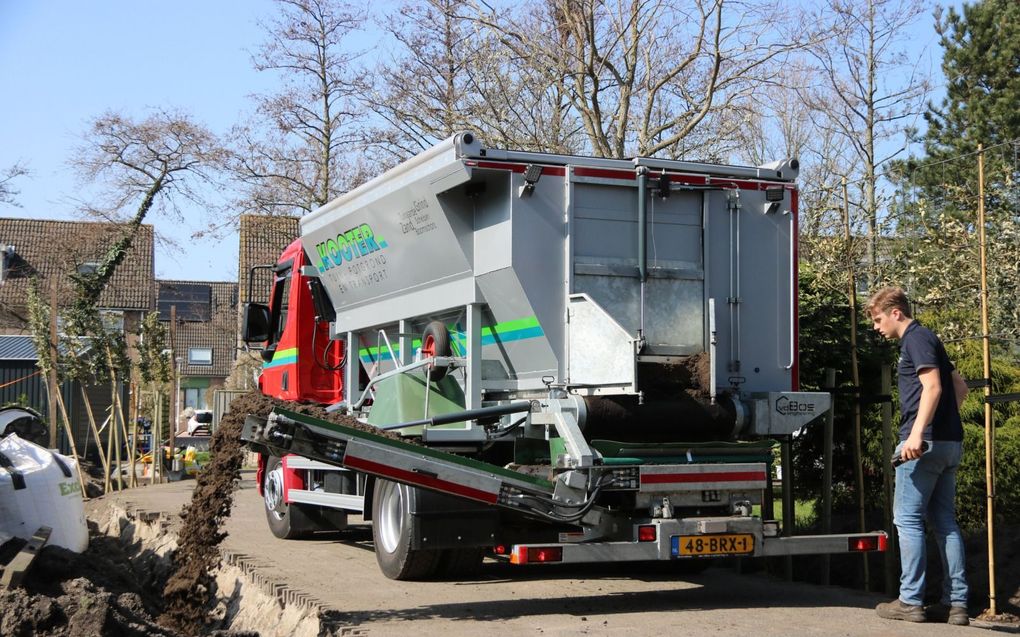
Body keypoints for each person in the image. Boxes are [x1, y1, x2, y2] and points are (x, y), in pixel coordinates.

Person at [868, 286, 970, 626]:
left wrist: (917, 433)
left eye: (878, 319)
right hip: (948, 443)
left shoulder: (914, 338)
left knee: (907, 520)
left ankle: (910, 601)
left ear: (896, 312)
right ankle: (956, 605)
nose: (876, 327)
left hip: (922, 444)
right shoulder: (929, 339)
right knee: (944, 523)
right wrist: (943, 424)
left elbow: (935, 388)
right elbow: (961, 388)